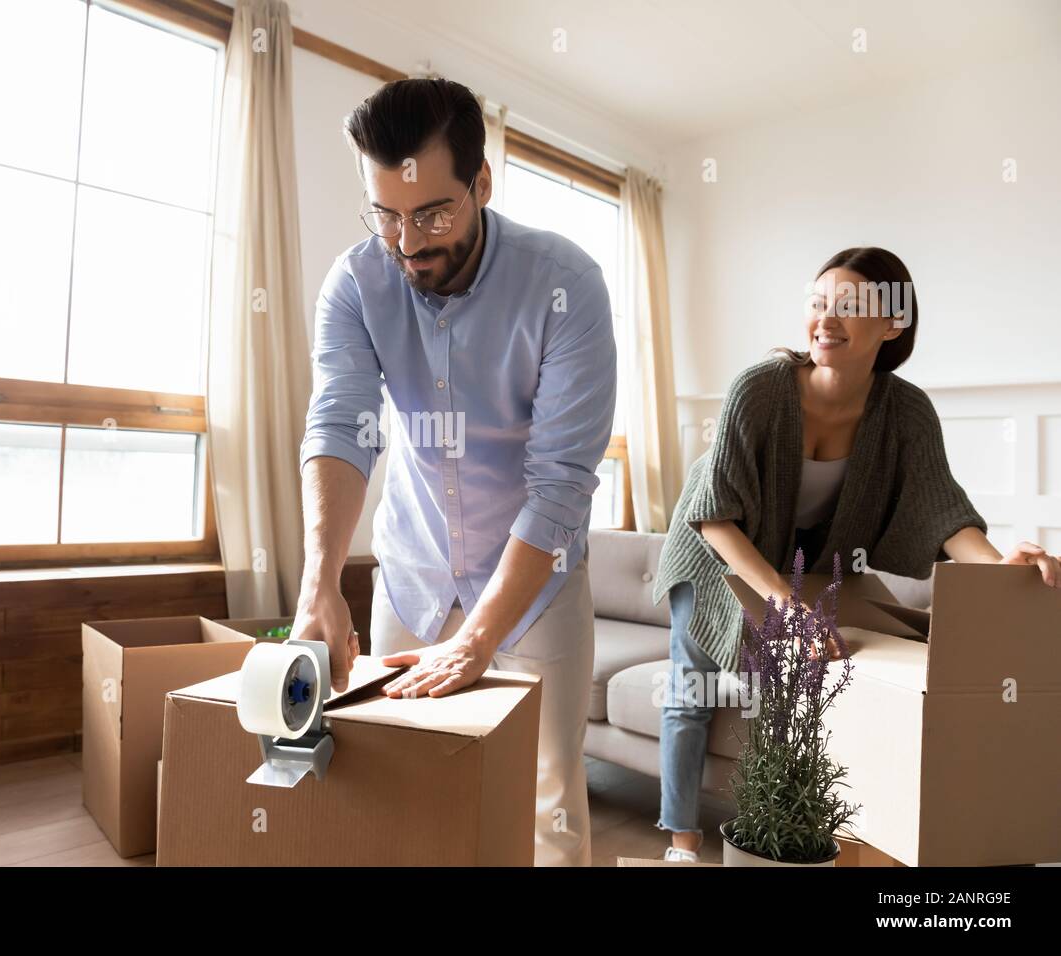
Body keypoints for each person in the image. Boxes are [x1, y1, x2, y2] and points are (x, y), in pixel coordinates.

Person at [291, 77, 616, 866]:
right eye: (387, 215)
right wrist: (319, 582)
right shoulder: (357, 282)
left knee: (547, 805)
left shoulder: (566, 284)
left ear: (482, 185)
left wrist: (478, 641)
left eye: (432, 212)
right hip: (414, 574)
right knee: (406, 792)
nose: (407, 242)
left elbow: (560, 483)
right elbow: (343, 423)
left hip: (537, 588)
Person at [651, 246, 1061, 863]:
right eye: (818, 304)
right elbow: (715, 517)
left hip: (802, 565)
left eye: (849, 306)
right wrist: (789, 605)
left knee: (793, 689)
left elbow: (943, 510)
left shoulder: (905, 412)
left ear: (893, 323)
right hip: (715, 548)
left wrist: (1001, 569)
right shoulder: (760, 390)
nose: (826, 319)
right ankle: (682, 843)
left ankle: (780, 839)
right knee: (691, 689)